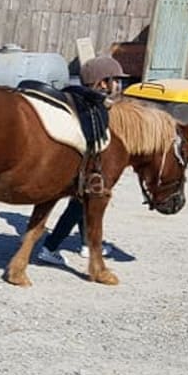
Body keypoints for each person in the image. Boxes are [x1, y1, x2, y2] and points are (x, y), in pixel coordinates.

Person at [34, 55, 129, 266]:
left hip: (82, 171)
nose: (119, 85)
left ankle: (85, 243)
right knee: (80, 204)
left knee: (80, 205)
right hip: (83, 169)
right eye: (116, 80)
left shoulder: (84, 101)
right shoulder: (94, 108)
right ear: (102, 83)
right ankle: (51, 246)